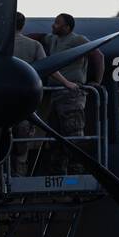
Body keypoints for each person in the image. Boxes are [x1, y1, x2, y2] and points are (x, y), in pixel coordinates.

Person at [41, 13, 90, 173]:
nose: (53, 25)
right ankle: (59, 172)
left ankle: (76, 170)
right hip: (56, 95)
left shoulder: (78, 40)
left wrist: (96, 80)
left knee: (73, 132)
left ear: (67, 27)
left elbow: (98, 55)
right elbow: (41, 37)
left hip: (71, 95)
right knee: (55, 135)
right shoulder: (52, 39)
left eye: (57, 23)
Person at [11, 13, 46, 176]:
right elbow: (45, 68)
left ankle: (3, 178)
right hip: (27, 104)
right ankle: (20, 174)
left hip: (4, 103)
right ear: (23, 26)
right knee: (22, 144)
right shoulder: (35, 46)